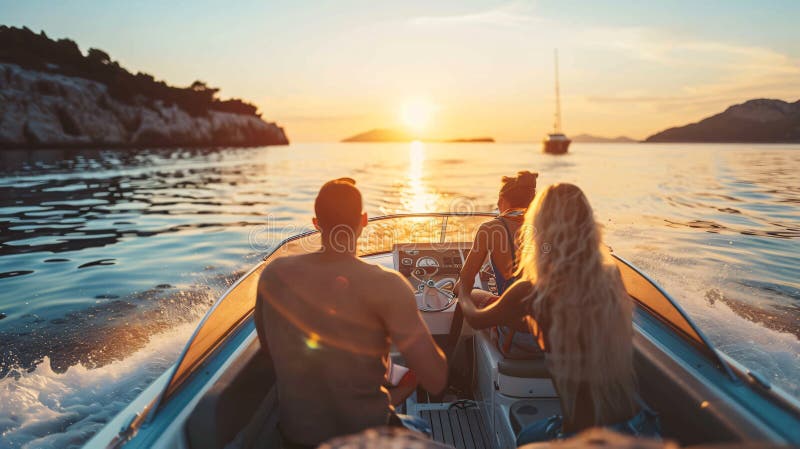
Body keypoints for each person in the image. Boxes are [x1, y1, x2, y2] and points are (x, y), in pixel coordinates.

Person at [458, 183, 659, 442]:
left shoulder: (532, 290)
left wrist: (464, 294)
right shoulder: (611, 277)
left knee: (526, 439)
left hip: (584, 436)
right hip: (639, 424)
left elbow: (475, 319)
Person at [255, 178, 447, 448]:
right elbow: (436, 380)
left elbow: (270, 350)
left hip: (297, 440)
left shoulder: (273, 275)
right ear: (364, 220)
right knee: (422, 426)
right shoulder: (388, 285)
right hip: (365, 441)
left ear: (316, 223)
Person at [452, 170, 540, 356]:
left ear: (502, 201)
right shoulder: (548, 228)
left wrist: (462, 294)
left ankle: (453, 363)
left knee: (463, 290)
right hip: (552, 337)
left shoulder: (490, 228)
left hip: (517, 340)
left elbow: (465, 281)